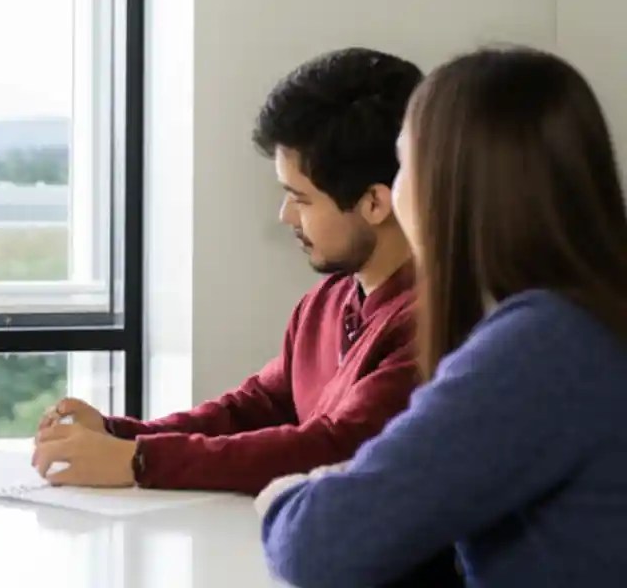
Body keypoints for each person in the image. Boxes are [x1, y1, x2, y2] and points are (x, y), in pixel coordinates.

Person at [260, 47, 627, 588]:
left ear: (449, 184)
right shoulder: (589, 319)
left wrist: (284, 496)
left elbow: (321, 546)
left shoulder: (540, 345)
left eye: (404, 164)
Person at [32, 47, 424, 494]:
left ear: (375, 202)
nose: (285, 216)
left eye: (301, 199)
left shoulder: (435, 323)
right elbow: (256, 409)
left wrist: (138, 461)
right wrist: (117, 434)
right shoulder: (326, 303)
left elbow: (336, 448)